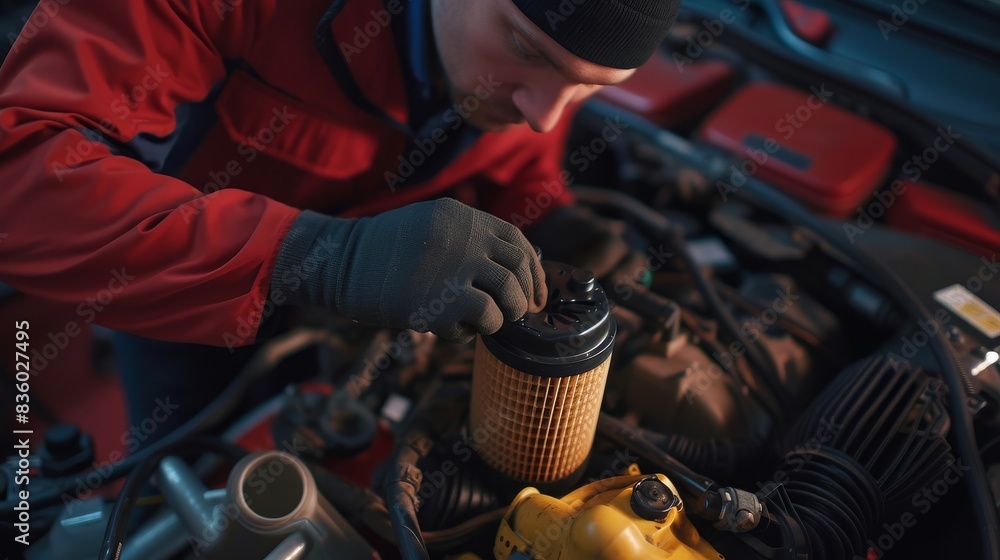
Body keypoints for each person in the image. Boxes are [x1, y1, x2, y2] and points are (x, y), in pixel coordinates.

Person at [0, 0, 679, 444]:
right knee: (181, 475)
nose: (547, 113)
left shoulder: (523, 71)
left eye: (591, 87)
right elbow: (19, 181)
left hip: (389, 282)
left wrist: (545, 218)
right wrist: (315, 256)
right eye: (529, 51)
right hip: (185, 289)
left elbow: (519, 153)